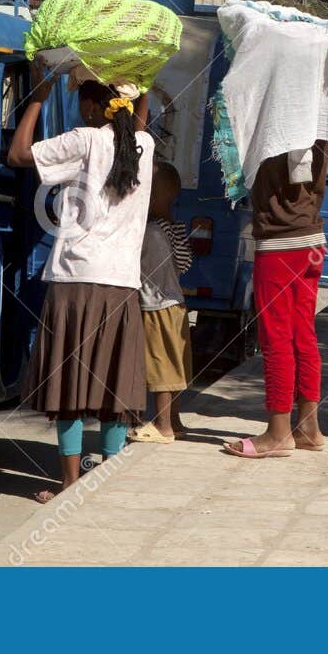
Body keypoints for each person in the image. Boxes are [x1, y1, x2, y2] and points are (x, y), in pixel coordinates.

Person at [6, 72, 153, 503]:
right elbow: (137, 124)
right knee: (115, 387)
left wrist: (38, 97)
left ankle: (71, 484)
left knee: (69, 382)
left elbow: (18, 154)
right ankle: (105, 485)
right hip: (121, 284)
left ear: (90, 107)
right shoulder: (145, 147)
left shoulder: (83, 140)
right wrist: (140, 83)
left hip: (74, 281)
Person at [224, 139, 328, 459]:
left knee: (276, 339)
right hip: (311, 238)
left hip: (279, 243)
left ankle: (278, 431)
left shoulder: (280, 126)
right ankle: (309, 428)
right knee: (303, 335)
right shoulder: (320, 125)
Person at [130, 164, 194, 445]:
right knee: (175, 365)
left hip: (155, 306)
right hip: (176, 303)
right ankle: (175, 422)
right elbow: (185, 263)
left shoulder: (149, 232)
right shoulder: (173, 228)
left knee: (161, 368)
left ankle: (163, 426)